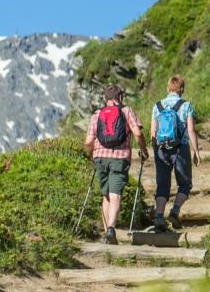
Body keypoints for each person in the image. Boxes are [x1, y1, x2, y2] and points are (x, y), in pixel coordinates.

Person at [85, 85, 146, 244]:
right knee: (115, 194)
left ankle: (107, 234)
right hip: (119, 158)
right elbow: (137, 133)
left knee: (106, 195)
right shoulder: (126, 111)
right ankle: (111, 229)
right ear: (120, 97)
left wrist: (91, 157)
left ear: (105, 99)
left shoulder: (97, 114)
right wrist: (143, 150)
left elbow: (88, 141)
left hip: (100, 157)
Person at [150, 74, 200, 231]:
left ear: (168, 88)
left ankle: (159, 217)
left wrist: (156, 151)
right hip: (181, 148)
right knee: (185, 184)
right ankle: (175, 210)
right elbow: (191, 131)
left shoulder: (157, 106)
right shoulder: (186, 105)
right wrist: (196, 151)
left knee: (162, 185)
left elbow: (153, 133)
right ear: (182, 89)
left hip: (161, 149)